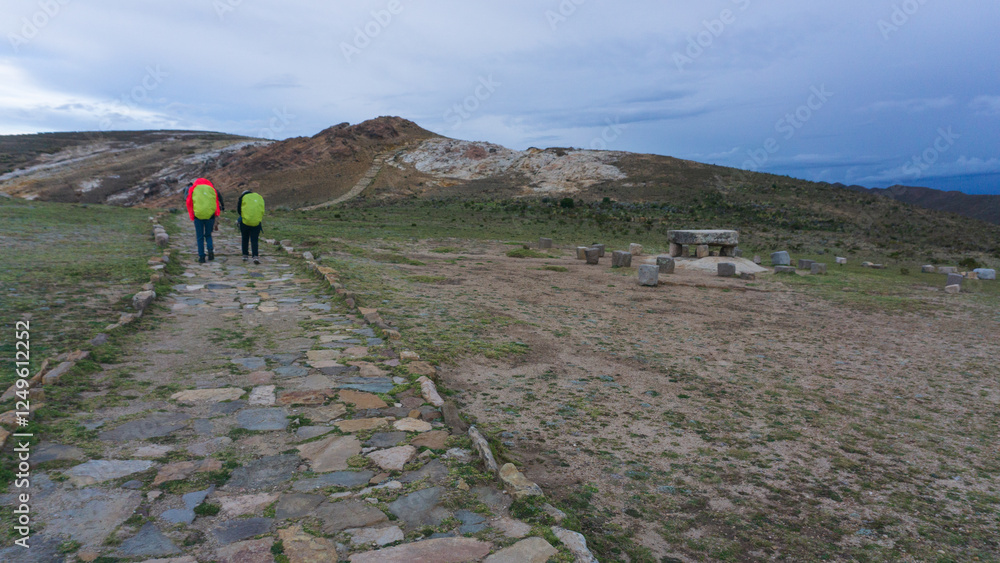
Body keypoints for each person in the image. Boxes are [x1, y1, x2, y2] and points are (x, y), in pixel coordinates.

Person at [185, 178, 221, 263]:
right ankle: (210, 250)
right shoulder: (212, 189)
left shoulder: (193, 189)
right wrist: (216, 214)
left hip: (198, 216)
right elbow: (216, 203)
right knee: (208, 235)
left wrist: (191, 215)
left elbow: (189, 202)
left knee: (200, 237)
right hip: (210, 216)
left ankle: (201, 257)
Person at [236, 189, 265, 264]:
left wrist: (243, 216)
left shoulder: (243, 197)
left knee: (245, 238)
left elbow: (239, 210)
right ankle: (255, 256)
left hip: (245, 222)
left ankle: (245, 255)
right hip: (256, 222)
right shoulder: (258, 197)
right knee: (254, 240)